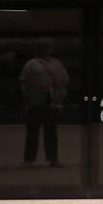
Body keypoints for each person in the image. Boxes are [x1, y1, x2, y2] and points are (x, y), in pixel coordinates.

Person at [20, 38, 69, 168]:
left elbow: (65, 79)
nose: (46, 49)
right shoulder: (31, 63)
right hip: (35, 101)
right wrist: (40, 86)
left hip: (53, 101)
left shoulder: (57, 63)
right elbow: (23, 81)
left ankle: (53, 159)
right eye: (44, 47)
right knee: (32, 131)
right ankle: (28, 160)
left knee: (51, 132)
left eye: (48, 47)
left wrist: (58, 85)